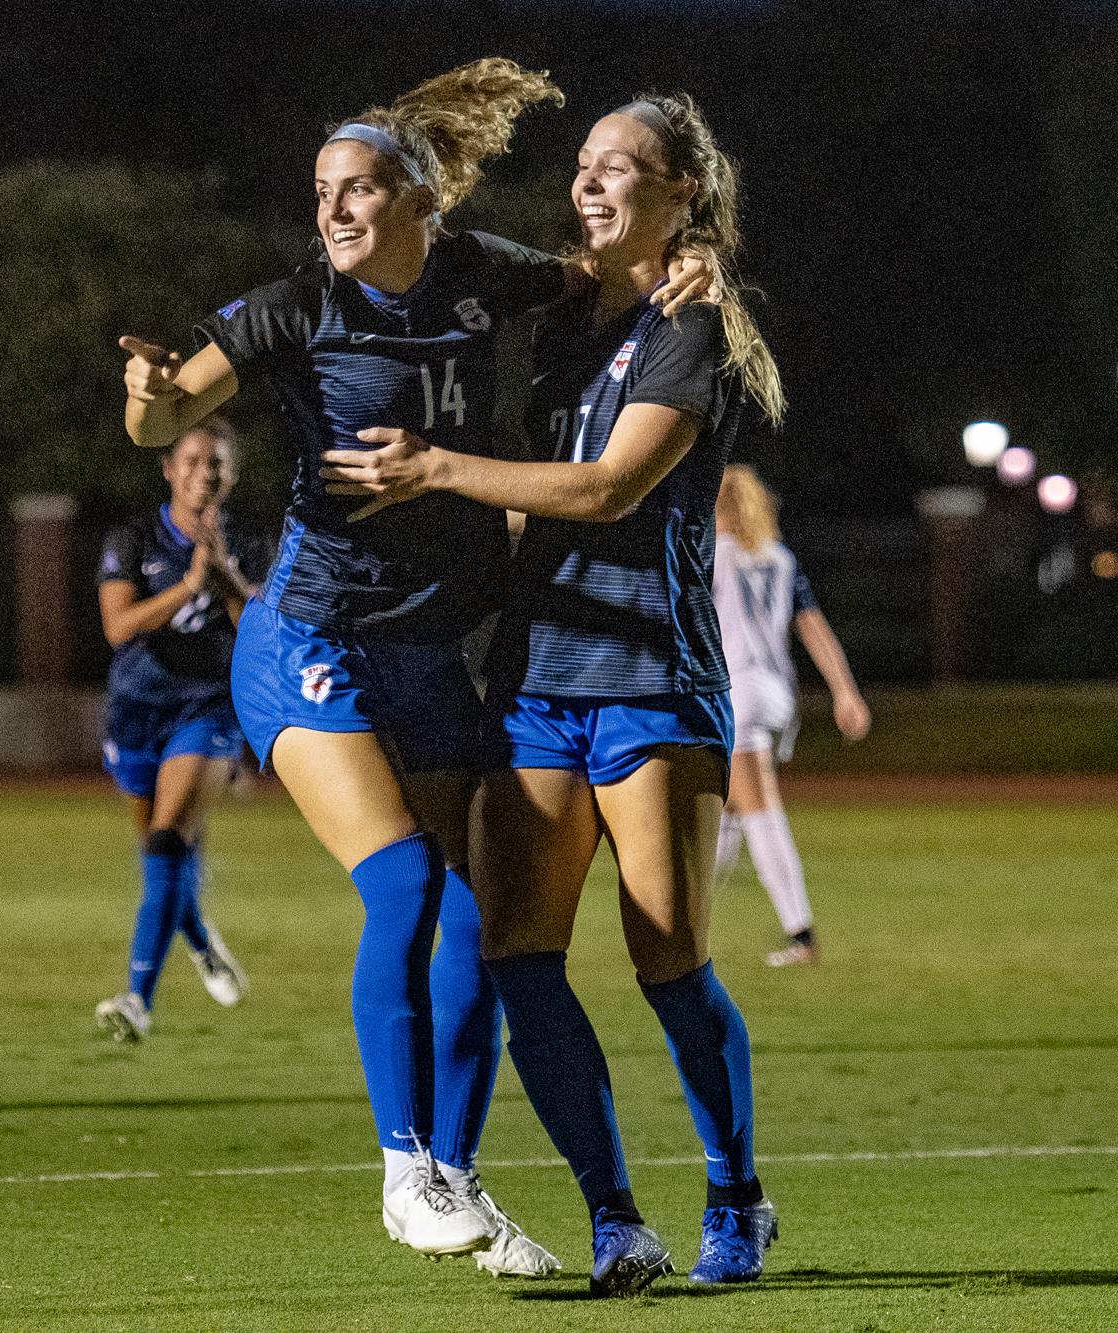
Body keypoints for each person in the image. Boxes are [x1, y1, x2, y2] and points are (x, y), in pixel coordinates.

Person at [113, 59, 707, 1276]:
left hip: (429, 647)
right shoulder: (291, 306)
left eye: (359, 189)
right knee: (404, 887)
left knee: (480, 924)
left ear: (420, 202)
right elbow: (167, 417)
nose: (332, 210)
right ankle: (403, 1171)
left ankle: (458, 1178)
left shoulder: (479, 274)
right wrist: (146, 398)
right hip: (310, 637)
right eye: (321, 190)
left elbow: (601, 273)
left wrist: (685, 270)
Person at [324, 90, 785, 1298]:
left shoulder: (697, 329)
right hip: (536, 675)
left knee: (666, 958)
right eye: (581, 165)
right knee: (523, 955)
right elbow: (451, 260)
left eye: (618, 168)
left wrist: (433, 468)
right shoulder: (573, 306)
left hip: (648, 677)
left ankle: (735, 1194)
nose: (587, 183)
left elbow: (605, 489)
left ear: (681, 191)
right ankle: (614, 1218)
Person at [93, 418, 258, 1043]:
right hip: (136, 710)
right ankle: (200, 939)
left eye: (216, 463)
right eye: (191, 461)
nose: (203, 473)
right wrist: (190, 584)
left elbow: (262, 634)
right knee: (162, 854)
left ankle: (136, 1000)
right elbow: (118, 627)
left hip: (208, 710)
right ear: (169, 470)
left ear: (231, 475)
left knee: (167, 841)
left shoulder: (250, 544)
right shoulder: (133, 537)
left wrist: (228, 581)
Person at [710, 464, 870, 966]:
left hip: (735, 690)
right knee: (725, 806)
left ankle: (800, 933)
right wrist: (845, 690)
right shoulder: (779, 558)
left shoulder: (708, 555)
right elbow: (813, 627)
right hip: (777, 692)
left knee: (757, 809)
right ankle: (690, 921)